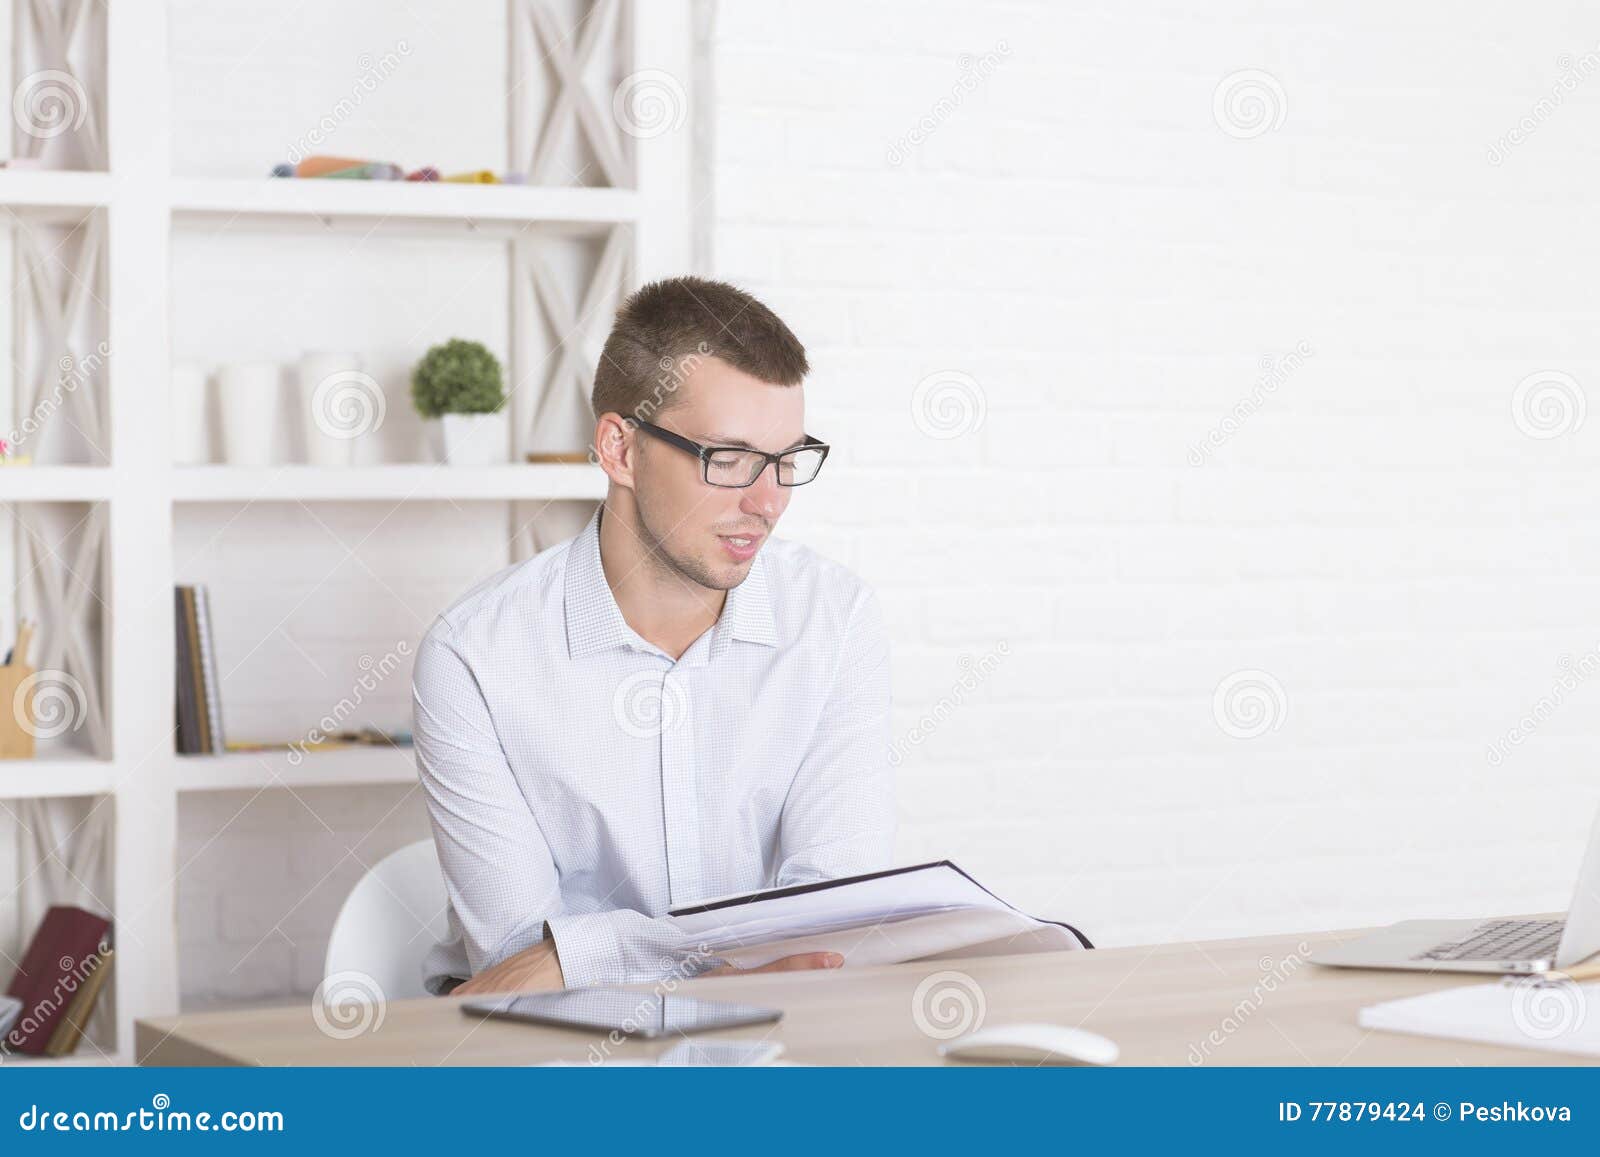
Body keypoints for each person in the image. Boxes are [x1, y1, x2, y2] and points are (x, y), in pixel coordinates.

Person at [412, 276, 895, 995]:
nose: (768, 502)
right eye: (727, 459)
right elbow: (515, 962)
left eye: (788, 460)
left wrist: (584, 951)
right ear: (620, 450)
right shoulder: (473, 656)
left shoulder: (834, 620)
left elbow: (832, 923)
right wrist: (727, 964)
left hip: (765, 1039)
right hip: (547, 1058)